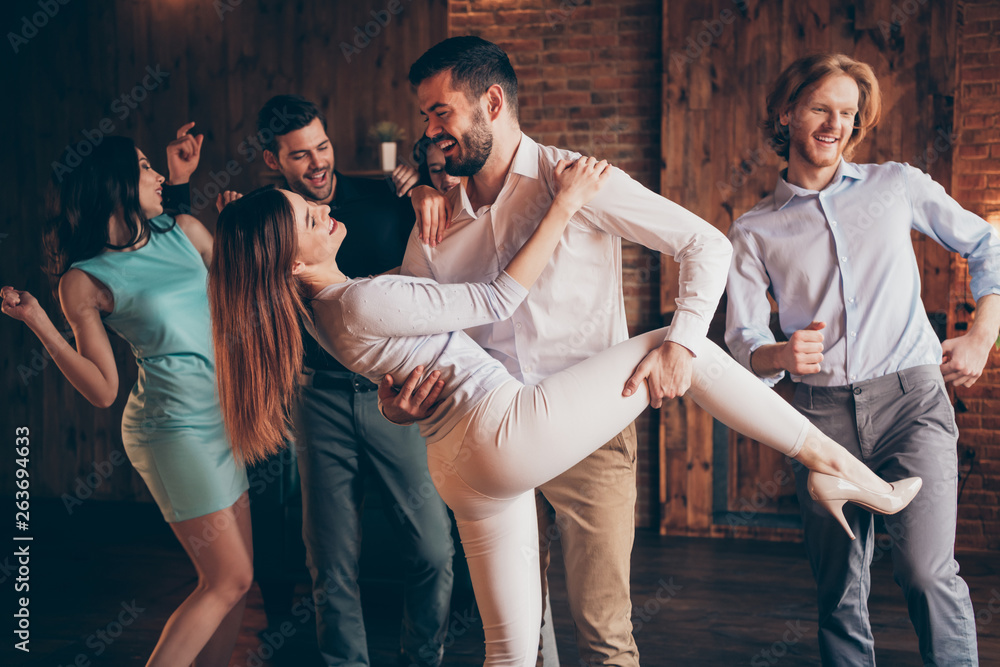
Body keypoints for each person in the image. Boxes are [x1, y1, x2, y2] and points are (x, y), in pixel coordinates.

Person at [207, 164, 921, 667]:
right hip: (499, 430)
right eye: (307, 218)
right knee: (675, 345)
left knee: (511, 650)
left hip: (461, 465)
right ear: (292, 262)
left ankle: (837, 472)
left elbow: (407, 366)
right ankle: (840, 469)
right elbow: (494, 301)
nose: (322, 211)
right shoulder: (357, 299)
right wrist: (568, 202)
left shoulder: (321, 318)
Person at [383, 35, 715, 665]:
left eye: (441, 113)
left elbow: (706, 244)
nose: (430, 133)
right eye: (425, 117)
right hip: (488, 441)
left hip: (590, 433)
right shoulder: (434, 221)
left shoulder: (579, 182)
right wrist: (398, 400)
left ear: (492, 101)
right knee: (517, 640)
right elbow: (412, 331)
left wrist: (684, 344)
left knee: (604, 636)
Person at [724, 53, 1000, 666]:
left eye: (847, 113)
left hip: (913, 403)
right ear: (787, 112)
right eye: (821, 108)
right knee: (840, 589)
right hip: (820, 419)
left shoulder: (896, 185)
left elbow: (987, 242)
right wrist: (779, 351)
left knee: (927, 572)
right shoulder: (755, 229)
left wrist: (983, 334)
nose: (835, 125)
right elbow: (741, 341)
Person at [1, 135, 252, 667]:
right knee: (227, 578)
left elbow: (243, 287)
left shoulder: (183, 230)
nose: (157, 175)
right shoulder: (84, 279)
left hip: (223, 419)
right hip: (171, 428)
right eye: (144, 168)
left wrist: (235, 228)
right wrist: (40, 322)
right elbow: (103, 389)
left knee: (236, 583)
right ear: (114, 184)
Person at [251, 94, 454, 667]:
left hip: (398, 395)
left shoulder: (387, 198)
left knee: (432, 549)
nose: (317, 163)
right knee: (329, 559)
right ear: (274, 161)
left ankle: (424, 659)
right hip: (318, 400)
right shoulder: (274, 220)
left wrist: (423, 191)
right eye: (299, 155)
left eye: (322, 146)